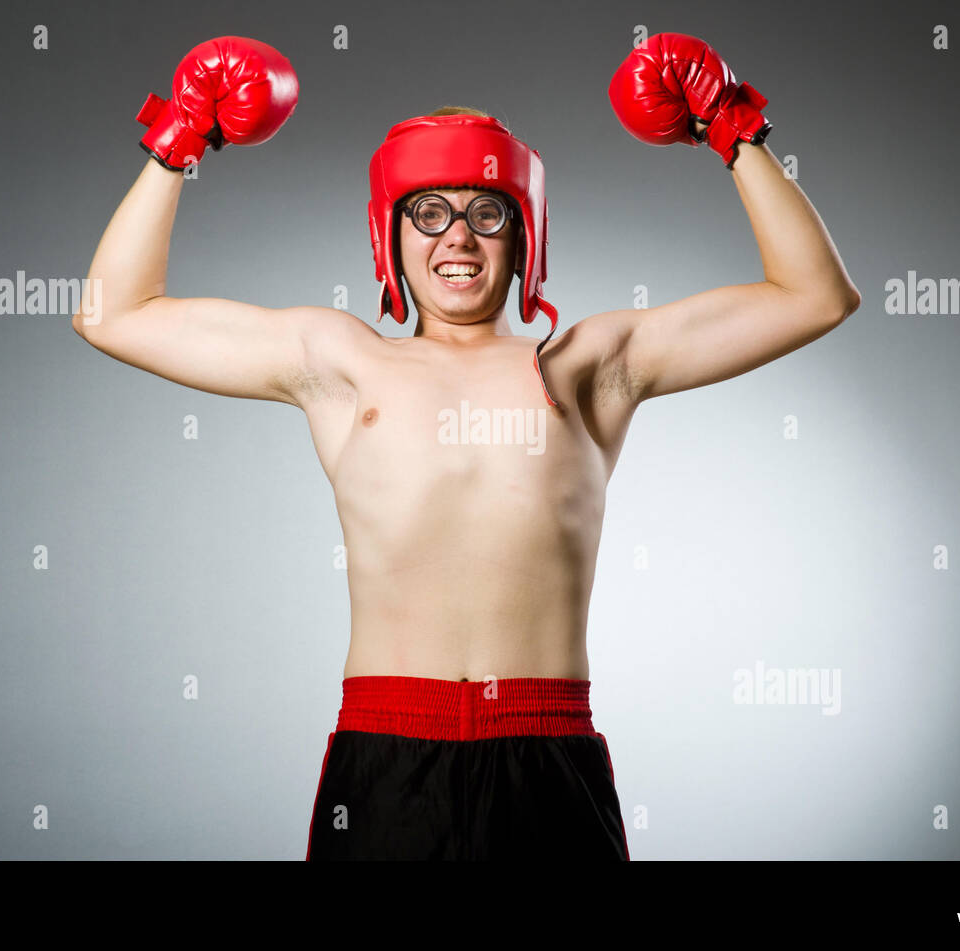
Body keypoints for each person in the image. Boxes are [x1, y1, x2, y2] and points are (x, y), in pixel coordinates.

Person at [72, 33, 860, 860]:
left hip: (546, 752)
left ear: (524, 237)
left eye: (487, 213)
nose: (458, 237)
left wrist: (732, 126)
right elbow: (111, 313)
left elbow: (814, 295)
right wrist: (180, 138)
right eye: (430, 211)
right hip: (388, 755)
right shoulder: (342, 364)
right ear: (392, 232)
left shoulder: (589, 366)